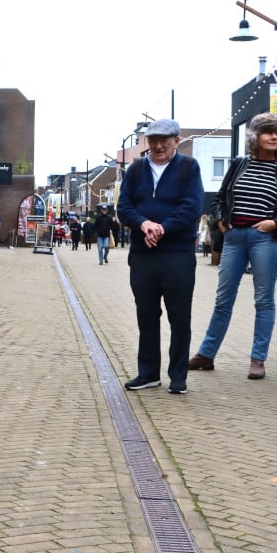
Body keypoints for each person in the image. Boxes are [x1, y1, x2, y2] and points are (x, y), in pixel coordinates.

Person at [188, 114, 277, 380]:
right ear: (255, 137)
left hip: (264, 239)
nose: (275, 137)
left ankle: (257, 360)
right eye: (268, 133)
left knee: (263, 300)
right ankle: (206, 354)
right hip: (235, 238)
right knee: (223, 299)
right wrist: (221, 222)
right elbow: (220, 198)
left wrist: (273, 223)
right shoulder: (239, 164)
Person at [116, 119, 203, 395]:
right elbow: (125, 206)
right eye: (152, 140)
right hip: (143, 254)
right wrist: (144, 224)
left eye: (164, 140)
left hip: (177, 253)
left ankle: (178, 376)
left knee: (179, 317)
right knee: (146, 316)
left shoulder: (189, 168)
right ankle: (148, 373)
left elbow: (192, 207)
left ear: (176, 141)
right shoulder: (136, 169)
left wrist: (163, 228)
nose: (158, 146)